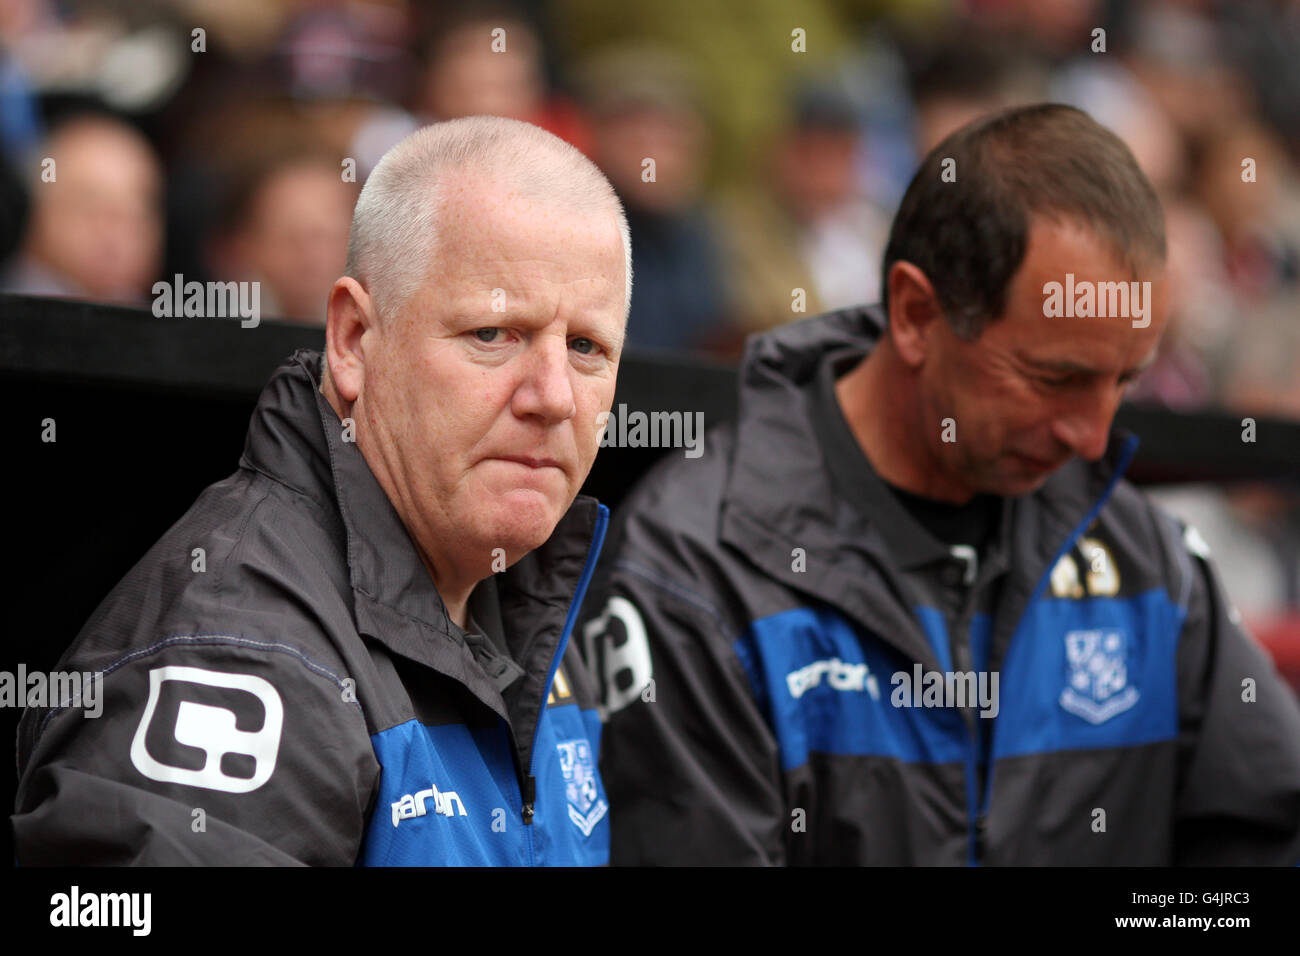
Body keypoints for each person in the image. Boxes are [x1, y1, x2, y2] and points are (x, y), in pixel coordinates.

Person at [579, 104, 1300, 865]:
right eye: (1055, 378)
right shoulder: (697, 570)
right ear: (918, 314)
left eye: (1124, 381)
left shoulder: (1141, 556)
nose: (1092, 436)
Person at [13, 116, 631, 865]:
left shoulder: (544, 611)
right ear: (351, 341)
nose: (554, 396)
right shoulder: (238, 654)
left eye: (587, 347)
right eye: (493, 334)